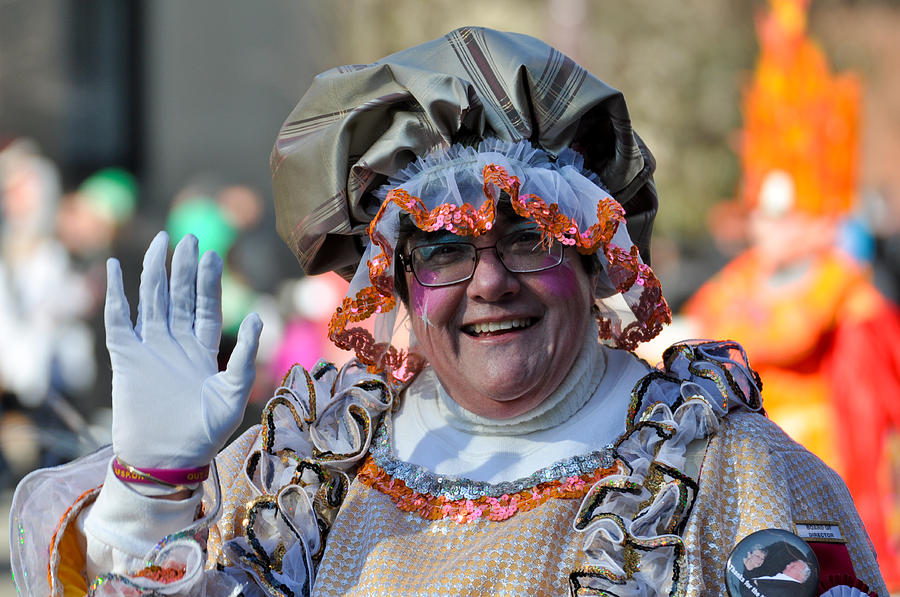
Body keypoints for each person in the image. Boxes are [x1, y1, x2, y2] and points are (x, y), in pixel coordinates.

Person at [9, 27, 887, 596]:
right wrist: (152, 499)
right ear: (394, 277)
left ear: (591, 258)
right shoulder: (307, 464)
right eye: (444, 248)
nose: (490, 281)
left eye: (529, 238)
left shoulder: (734, 473)